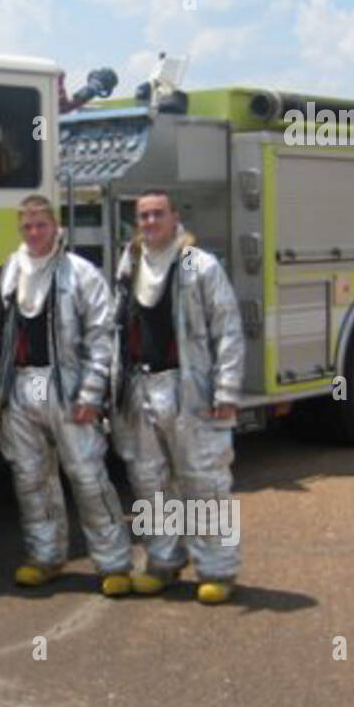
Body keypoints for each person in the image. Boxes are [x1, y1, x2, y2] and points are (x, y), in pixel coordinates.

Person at [109, 189, 245, 603]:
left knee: (203, 481)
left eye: (157, 215)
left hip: (189, 390)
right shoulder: (130, 264)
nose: (149, 222)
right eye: (142, 216)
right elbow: (115, 328)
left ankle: (218, 570)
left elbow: (228, 330)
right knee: (148, 480)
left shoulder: (199, 267)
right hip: (139, 388)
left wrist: (226, 390)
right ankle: (163, 560)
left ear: (174, 218)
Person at [0, 195, 133, 596]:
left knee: (88, 477)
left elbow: (102, 336)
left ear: (56, 226)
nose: (35, 233)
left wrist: (91, 393)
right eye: (27, 226)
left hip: (68, 389)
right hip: (22, 387)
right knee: (31, 480)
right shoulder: (10, 272)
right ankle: (45, 557)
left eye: (41, 225)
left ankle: (114, 563)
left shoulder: (81, 274)